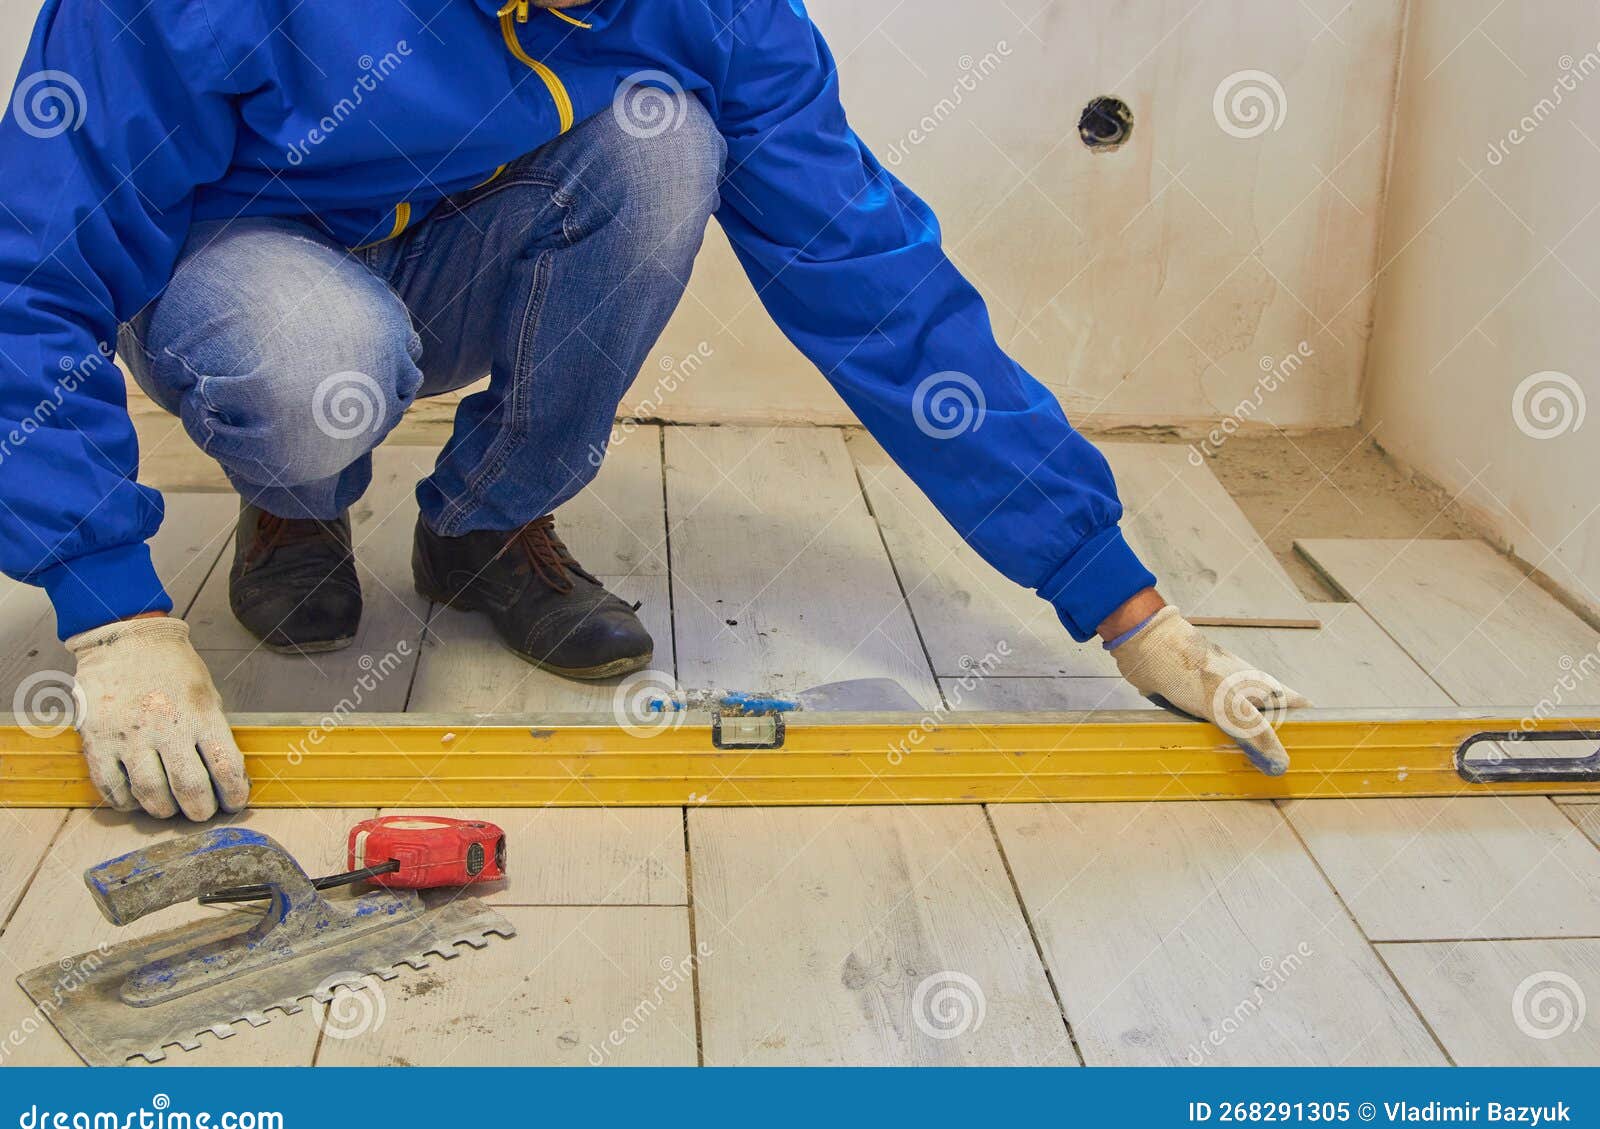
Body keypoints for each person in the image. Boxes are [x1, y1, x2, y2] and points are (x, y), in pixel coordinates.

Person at [0, 0, 1306, 821]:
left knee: (665, 138)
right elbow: (31, 269)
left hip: (449, 253)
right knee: (311, 352)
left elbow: (878, 286)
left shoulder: (713, 11)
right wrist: (110, 608)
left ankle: (487, 524)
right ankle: (293, 506)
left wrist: (1123, 600)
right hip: (245, 278)